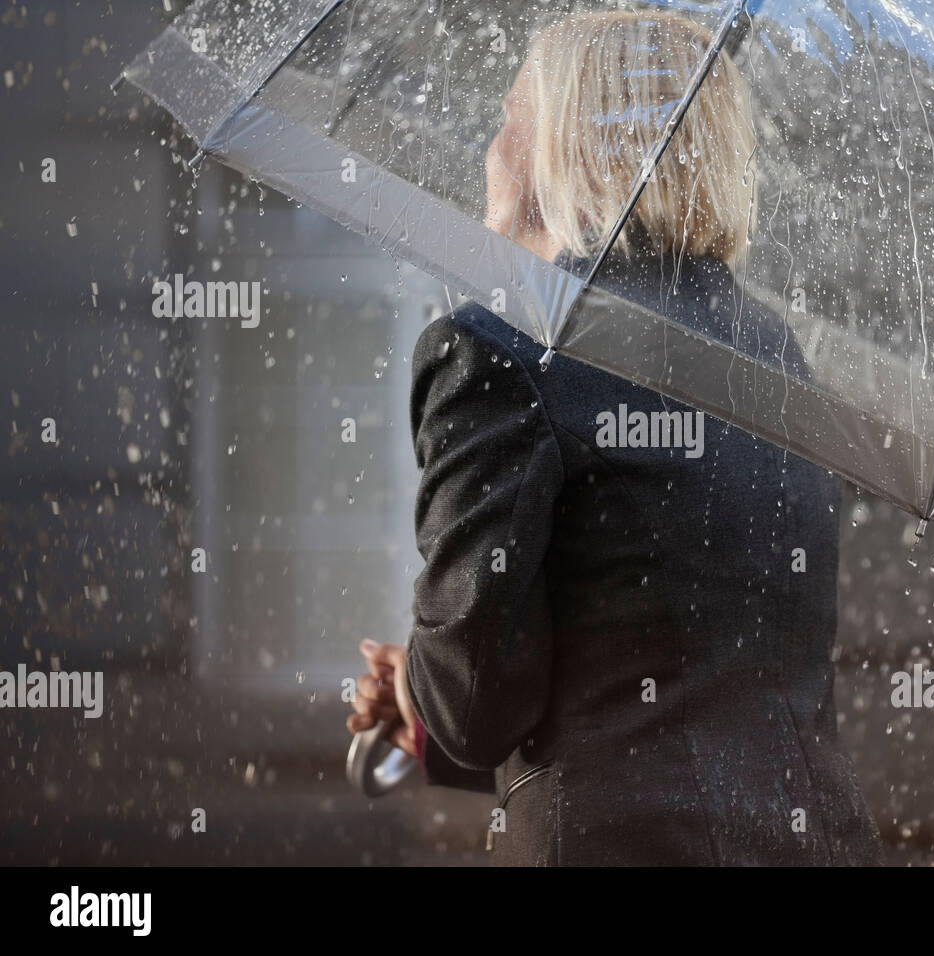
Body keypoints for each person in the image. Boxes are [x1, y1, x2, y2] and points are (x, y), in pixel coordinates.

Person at [347, 9, 882, 866]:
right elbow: (689, 653)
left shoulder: (500, 350)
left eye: (508, 120)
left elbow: (479, 705)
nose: (489, 150)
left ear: (555, 150)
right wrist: (431, 691)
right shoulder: (772, 354)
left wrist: (420, 680)